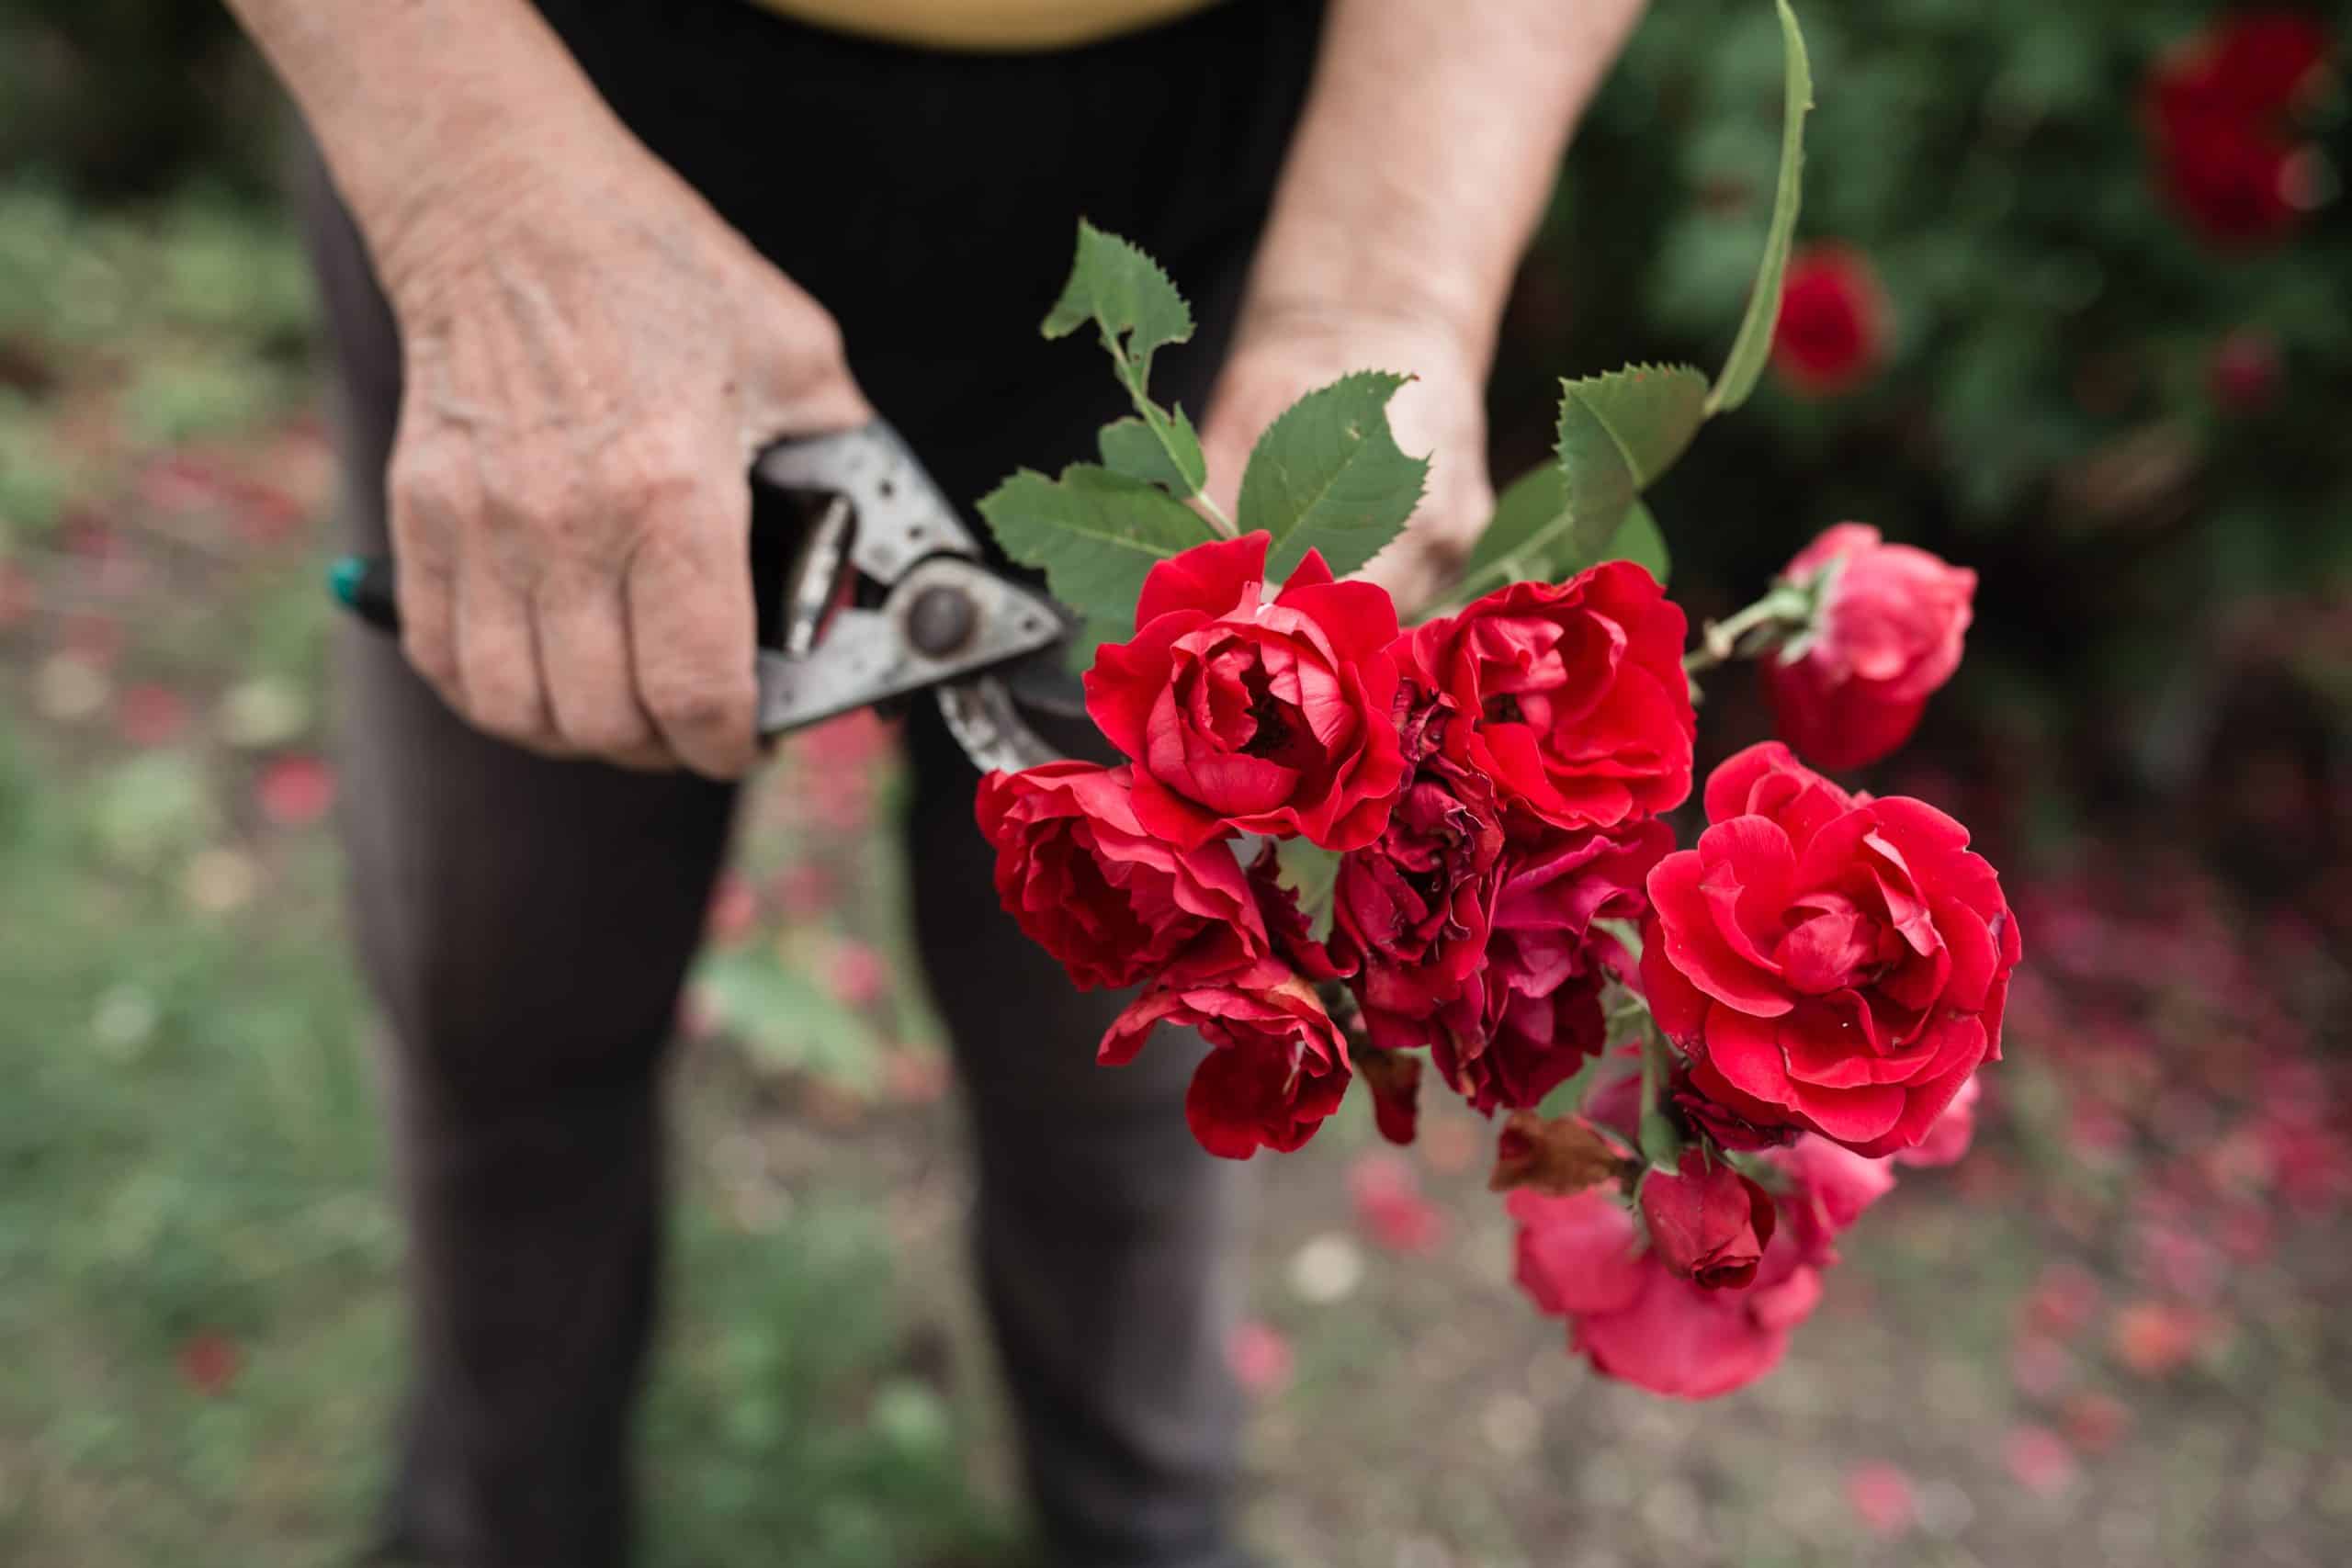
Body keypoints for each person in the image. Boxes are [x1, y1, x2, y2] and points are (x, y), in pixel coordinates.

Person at [220, 1, 1648, 1562]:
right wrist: (476, 196)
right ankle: (492, 1523)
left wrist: (1384, 282)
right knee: (508, 988)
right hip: (543, 97)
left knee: (1133, 1047)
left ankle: (1146, 1523)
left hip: (1218, 159)